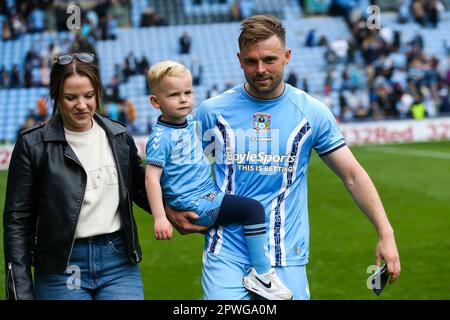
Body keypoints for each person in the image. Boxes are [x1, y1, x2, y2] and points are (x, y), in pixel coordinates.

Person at [165, 15, 401, 300]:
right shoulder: (212, 112)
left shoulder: (312, 113)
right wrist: (168, 210)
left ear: (287, 56)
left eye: (270, 59)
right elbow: (175, 167)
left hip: (286, 255)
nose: (260, 69)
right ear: (239, 60)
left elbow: (352, 175)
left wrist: (385, 232)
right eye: (251, 61)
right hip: (225, 252)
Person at [3, 52, 151, 300]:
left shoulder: (119, 136)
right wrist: (19, 286)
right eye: (71, 97)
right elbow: (17, 220)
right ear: (56, 97)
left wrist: (191, 213)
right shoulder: (32, 145)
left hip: (119, 261)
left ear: (98, 93)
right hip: (60, 266)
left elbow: (142, 191)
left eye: (89, 96)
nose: (82, 105)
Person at [145, 60, 292, 300]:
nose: (183, 99)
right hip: (194, 203)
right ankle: (263, 275)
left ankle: (235, 272)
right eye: (174, 95)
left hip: (206, 194)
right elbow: (151, 179)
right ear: (155, 102)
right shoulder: (160, 138)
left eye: (188, 92)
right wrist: (161, 217)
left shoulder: (190, 122)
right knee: (252, 210)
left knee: (239, 217)